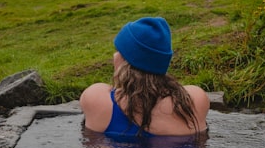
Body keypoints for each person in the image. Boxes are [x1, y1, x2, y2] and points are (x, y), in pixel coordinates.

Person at [80, 16, 210, 138]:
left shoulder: (96, 98)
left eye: (119, 50)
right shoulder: (195, 100)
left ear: (126, 62)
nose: (115, 55)